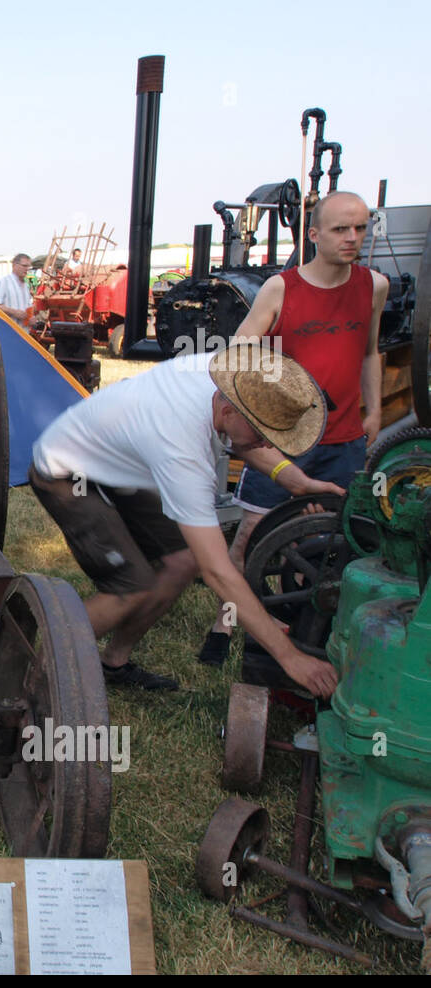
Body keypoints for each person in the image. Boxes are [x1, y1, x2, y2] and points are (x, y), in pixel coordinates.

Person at [29, 349, 343, 697]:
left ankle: (113, 664)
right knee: (132, 586)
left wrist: (297, 483)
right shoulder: (183, 450)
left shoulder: (226, 377)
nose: (267, 445)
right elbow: (218, 573)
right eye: (261, 436)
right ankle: (35, 676)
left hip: (121, 459)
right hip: (65, 469)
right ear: (228, 410)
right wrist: (290, 657)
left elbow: (244, 434)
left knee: (183, 561)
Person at [198, 190, 389, 665]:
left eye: (361, 229)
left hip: (345, 439)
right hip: (284, 439)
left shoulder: (375, 286)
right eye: (341, 229)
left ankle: (307, 626)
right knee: (251, 535)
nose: (353, 238)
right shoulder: (281, 289)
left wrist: (375, 411)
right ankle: (223, 625)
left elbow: (370, 351)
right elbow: (240, 355)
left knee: (330, 540)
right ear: (314, 233)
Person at [0, 254, 33, 320]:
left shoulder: (26, 285)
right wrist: (14, 312)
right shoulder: (4, 282)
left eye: (29, 267)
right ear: (14, 265)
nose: (27, 269)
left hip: (23, 329)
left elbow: (28, 308)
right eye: (24, 266)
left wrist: (31, 318)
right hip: (9, 329)